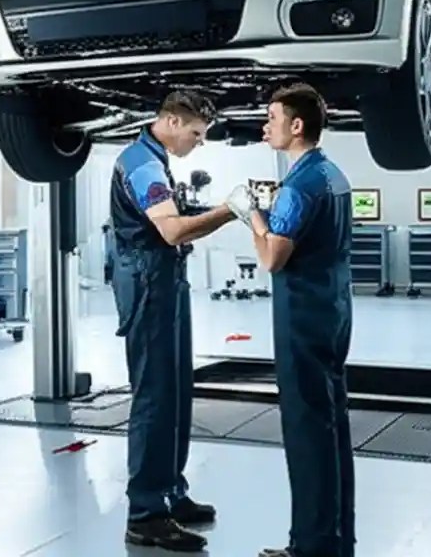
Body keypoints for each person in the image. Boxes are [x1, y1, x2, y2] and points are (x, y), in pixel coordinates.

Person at [227, 83, 355, 557]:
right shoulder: (332, 175)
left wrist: (252, 215)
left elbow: (272, 259)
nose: (265, 126)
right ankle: (336, 542)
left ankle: (311, 547)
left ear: (296, 126)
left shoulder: (298, 187)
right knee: (332, 429)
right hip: (333, 311)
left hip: (301, 318)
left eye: (272, 118)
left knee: (306, 432)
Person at [111, 91, 238, 551]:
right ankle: (145, 515)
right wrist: (230, 210)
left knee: (178, 391)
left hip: (166, 281)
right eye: (196, 134)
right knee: (155, 398)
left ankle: (170, 493)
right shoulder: (141, 164)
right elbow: (170, 230)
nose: (198, 144)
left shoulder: (155, 158)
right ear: (169, 120)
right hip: (149, 287)